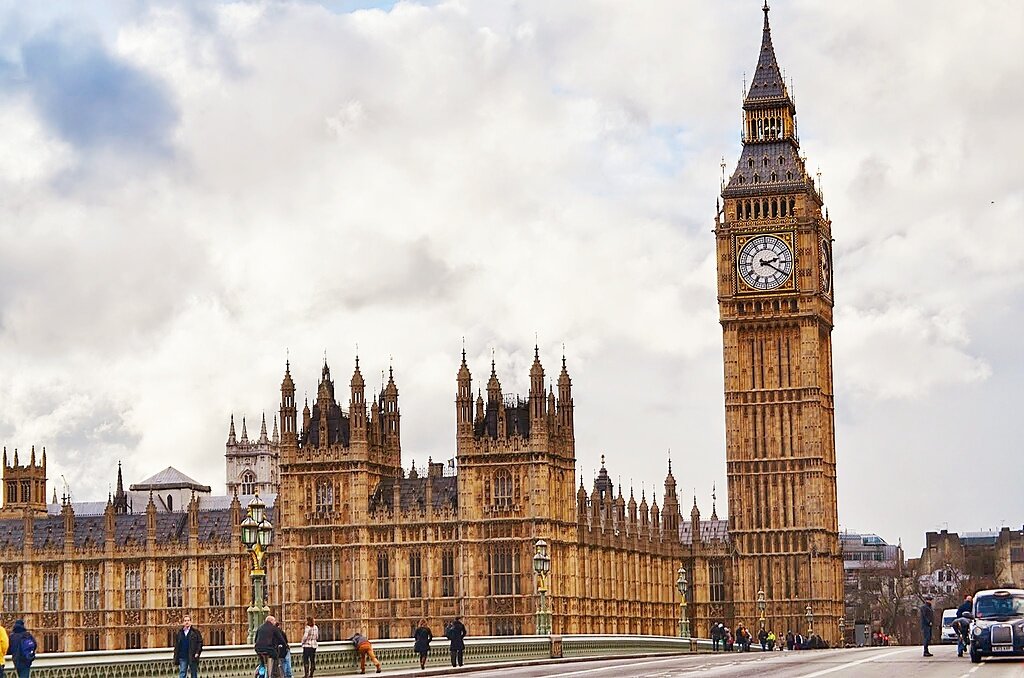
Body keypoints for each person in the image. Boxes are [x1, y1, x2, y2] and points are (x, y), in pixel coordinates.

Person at [172, 614, 204, 678]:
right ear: (183, 622)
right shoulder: (180, 633)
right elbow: (177, 645)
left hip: (192, 656)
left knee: (193, 673)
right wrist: (176, 655)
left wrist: (197, 653)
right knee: (182, 673)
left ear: (191, 622)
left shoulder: (195, 632)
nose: (187, 622)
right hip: (182, 656)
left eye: (188, 620)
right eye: (185, 620)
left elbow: (200, 643)